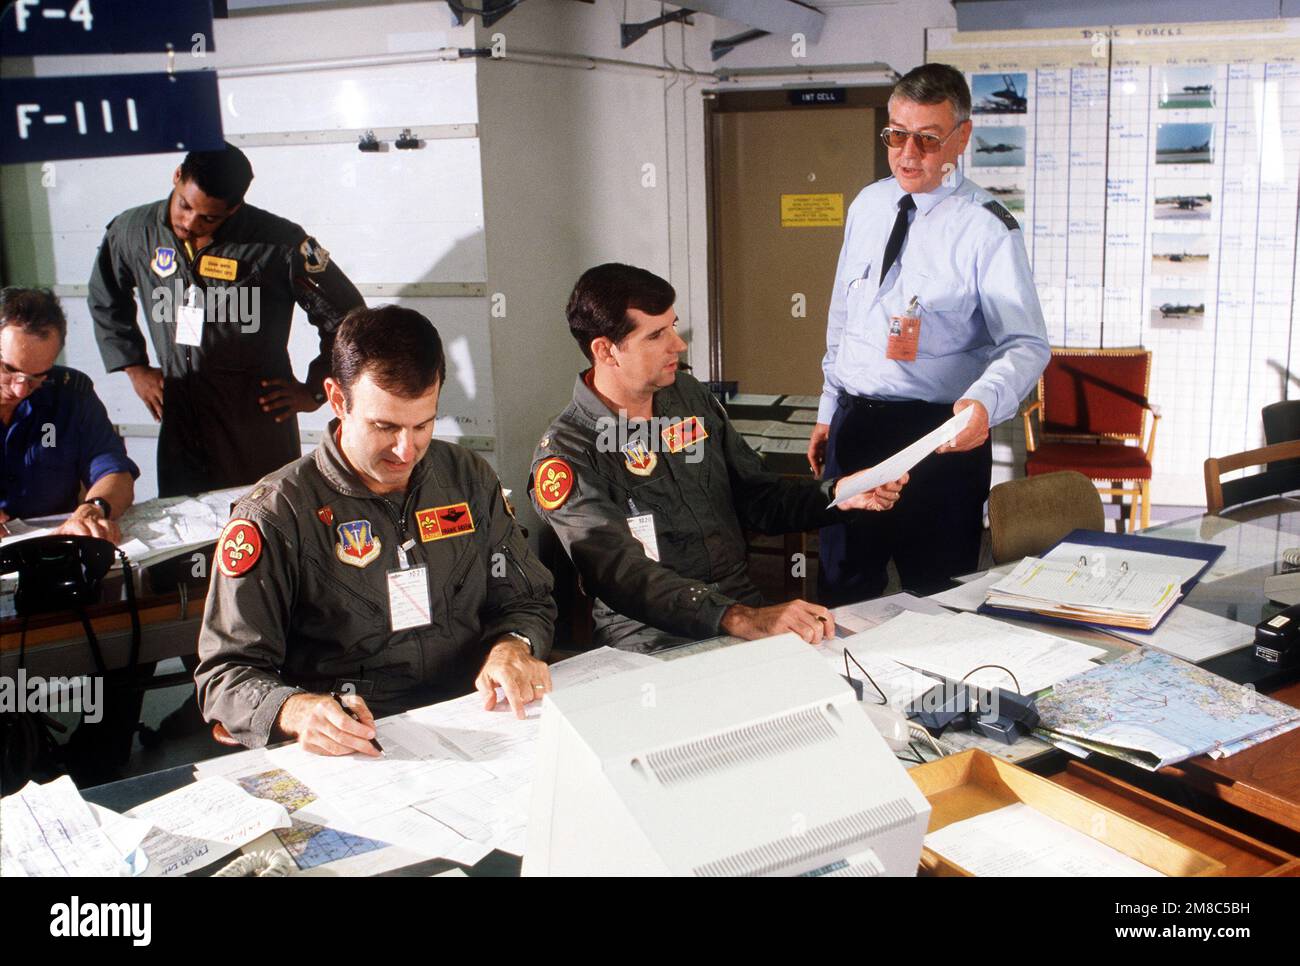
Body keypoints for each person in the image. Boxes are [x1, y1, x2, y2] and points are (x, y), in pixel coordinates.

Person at [195, 305, 556, 755]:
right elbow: (226, 675)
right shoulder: (276, 514)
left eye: (422, 425)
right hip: (361, 742)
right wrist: (297, 709)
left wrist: (513, 646)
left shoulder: (465, 477)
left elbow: (525, 599)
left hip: (479, 719)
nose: (406, 450)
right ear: (337, 399)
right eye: (384, 426)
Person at [530, 263, 906, 654]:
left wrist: (841, 492)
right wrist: (740, 618)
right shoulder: (567, 452)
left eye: (673, 326)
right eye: (657, 335)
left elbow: (758, 498)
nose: (678, 344)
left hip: (739, 603)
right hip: (650, 635)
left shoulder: (686, 396)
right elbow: (623, 576)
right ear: (605, 350)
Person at [809, 63, 1050, 605]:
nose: (907, 154)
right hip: (856, 429)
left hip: (936, 438)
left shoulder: (987, 227)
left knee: (938, 597)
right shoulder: (868, 206)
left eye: (926, 138)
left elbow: (1027, 343)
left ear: (961, 137)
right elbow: (843, 319)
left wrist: (985, 402)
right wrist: (829, 409)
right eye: (896, 134)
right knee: (843, 590)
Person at [88, 142, 364, 498]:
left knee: (264, 521)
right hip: (181, 416)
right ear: (176, 177)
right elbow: (104, 296)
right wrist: (134, 367)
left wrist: (315, 389)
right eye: (184, 205)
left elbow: (349, 318)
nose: (189, 222)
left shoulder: (280, 244)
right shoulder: (133, 231)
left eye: (208, 217)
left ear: (234, 208)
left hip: (255, 423)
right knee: (184, 526)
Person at [0, 287, 137, 542]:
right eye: (9, 369)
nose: (20, 389)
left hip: (55, 550)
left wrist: (93, 509)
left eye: (36, 376)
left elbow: (115, 473)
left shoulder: (70, 394)